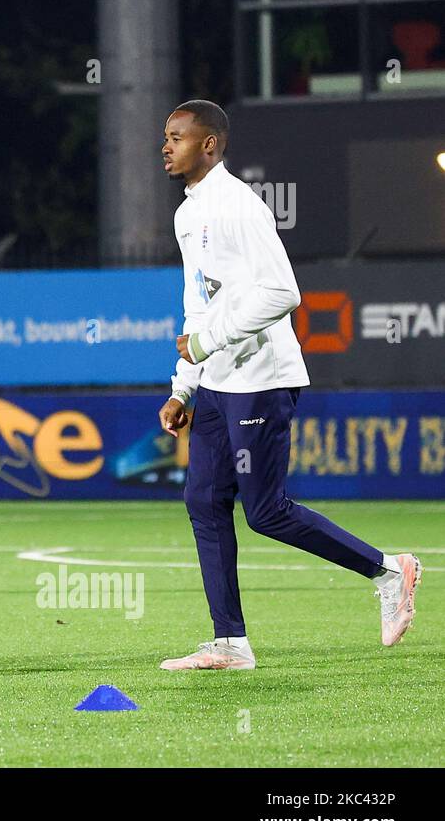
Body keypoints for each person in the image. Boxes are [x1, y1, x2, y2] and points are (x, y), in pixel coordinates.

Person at [156, 99, 420, 671]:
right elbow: (197, 305)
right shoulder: (187, 215)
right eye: (165, 137)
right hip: (219, 383)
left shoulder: (239, 206)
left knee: (266, 511)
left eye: (177, 137)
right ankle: (230, 643)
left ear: (210, 144)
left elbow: (282, 292)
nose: (166, 146)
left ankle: (387, 570)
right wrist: (184, 386)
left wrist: (207, 344)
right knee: (203, 498)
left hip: (260, 377)